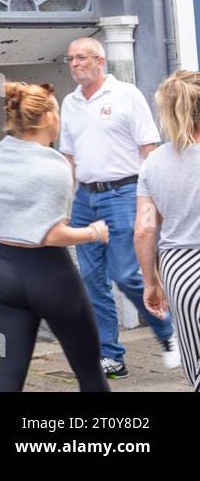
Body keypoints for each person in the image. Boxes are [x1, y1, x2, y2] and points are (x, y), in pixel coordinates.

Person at [59, 37, 179, 378]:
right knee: (91, 279)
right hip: (85, 197)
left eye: (81, 58)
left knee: (126, 273)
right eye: (70, 59)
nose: (75, 64)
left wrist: (154, 201)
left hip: (124, 193)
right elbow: (68, 156)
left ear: (100, 61)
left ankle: (170, 333)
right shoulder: (69, 103)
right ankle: (111, 355)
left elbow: (150, 151)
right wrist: (65, 202)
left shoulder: (126, 95)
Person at [0, 82, 109, 392]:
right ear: (49, 116)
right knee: (90, 372)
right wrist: (93, 232)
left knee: (9, 373)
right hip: (51, 276)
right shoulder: (54, 167)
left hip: (5, 272)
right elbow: (52, 234)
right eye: (59, 112)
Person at [135, 71, 200, 390]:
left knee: (195, 360)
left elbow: (145, 230)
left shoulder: (153, 164)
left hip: (181, 272)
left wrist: (151, 283)